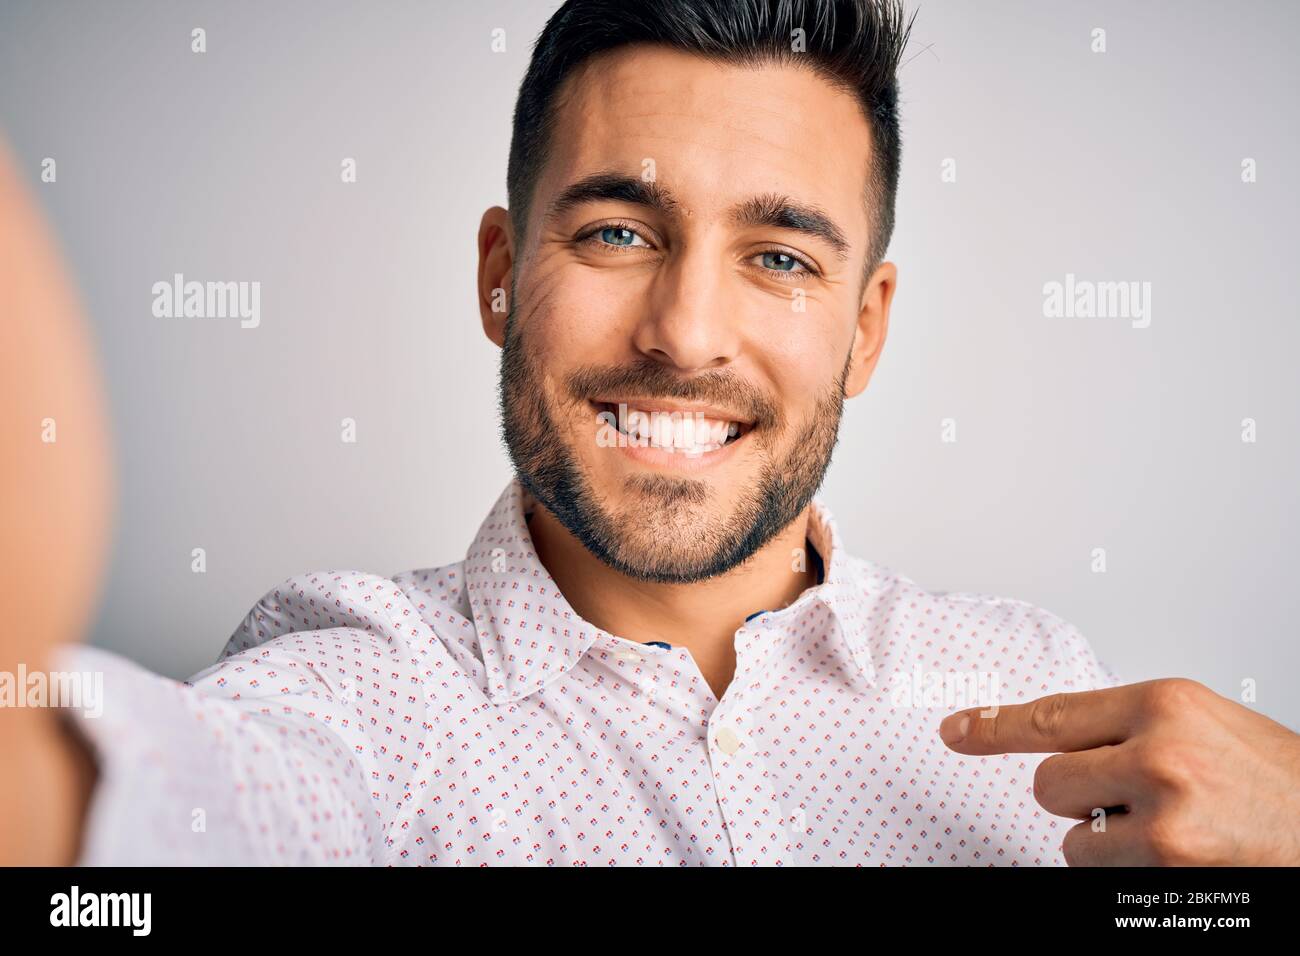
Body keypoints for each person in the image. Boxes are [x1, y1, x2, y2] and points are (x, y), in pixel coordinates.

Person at [4, 0, 1298, 867]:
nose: (684, 333)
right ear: (500, 274)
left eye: (780, 257)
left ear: (866, 329)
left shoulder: (1034, 686)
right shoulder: (346, 692)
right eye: (618, 233)